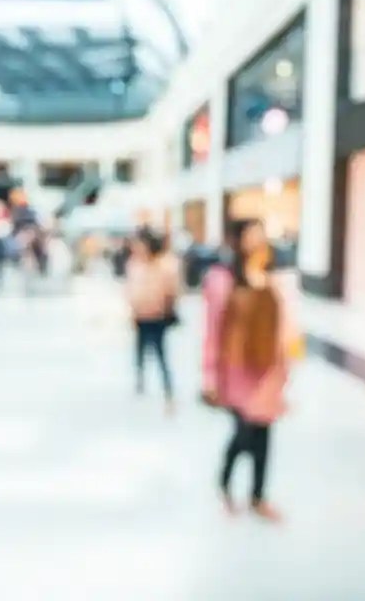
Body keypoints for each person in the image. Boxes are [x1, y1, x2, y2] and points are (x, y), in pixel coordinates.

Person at [203, 219, 297, 523]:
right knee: (243, 433)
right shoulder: (222, 280)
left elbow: (284, 327)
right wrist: (209, 376)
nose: (258, 243)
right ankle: (225, 483)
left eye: (261, 236)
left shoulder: (273, 278)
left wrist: (285, 367)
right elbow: (213, 331)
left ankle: (258, 496)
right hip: (235, 371)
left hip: (267, 369)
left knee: (264, 435)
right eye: (251, 237)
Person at [125, 230, 180, 415]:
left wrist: (167, 307)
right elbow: (131, 289)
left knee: (160, 352)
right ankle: (140, 377)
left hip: (158, 316)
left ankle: (168, 388)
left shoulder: (163, 264)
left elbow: (171, 289)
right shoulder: (134, 265)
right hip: (141, 315)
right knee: (139, 348)